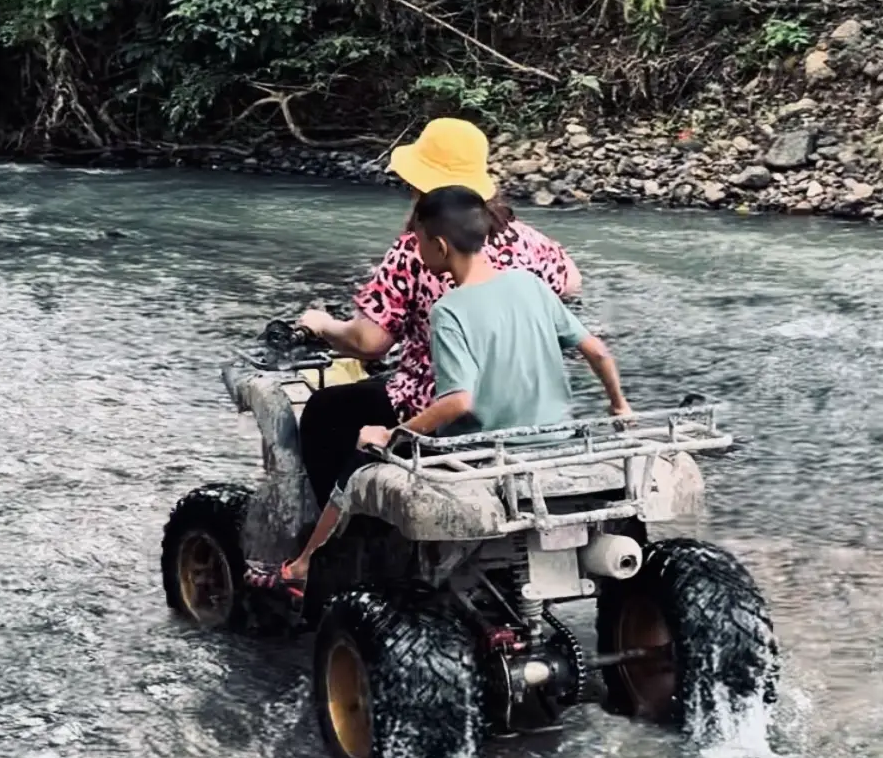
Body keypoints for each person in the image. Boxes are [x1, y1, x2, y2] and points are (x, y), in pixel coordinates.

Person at [251, 185, 629, 595]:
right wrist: (619, 406)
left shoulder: (449, 310)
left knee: (356, 463)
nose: (414, 248)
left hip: (478, 448)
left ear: (440, 247)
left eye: (418, 242)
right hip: (553, 440)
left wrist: (394, 435)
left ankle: (304, 566)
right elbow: (597, 351)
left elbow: (457, 401)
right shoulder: (529, 283)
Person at [296, 116, 582, 508]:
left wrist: (324, 325)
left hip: (440, 406)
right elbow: (571, 281)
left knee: (324, 410)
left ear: (420, 185)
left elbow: (371, 342)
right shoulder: (526, 239)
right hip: (524, 404)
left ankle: (337, 526)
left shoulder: (416, 249)